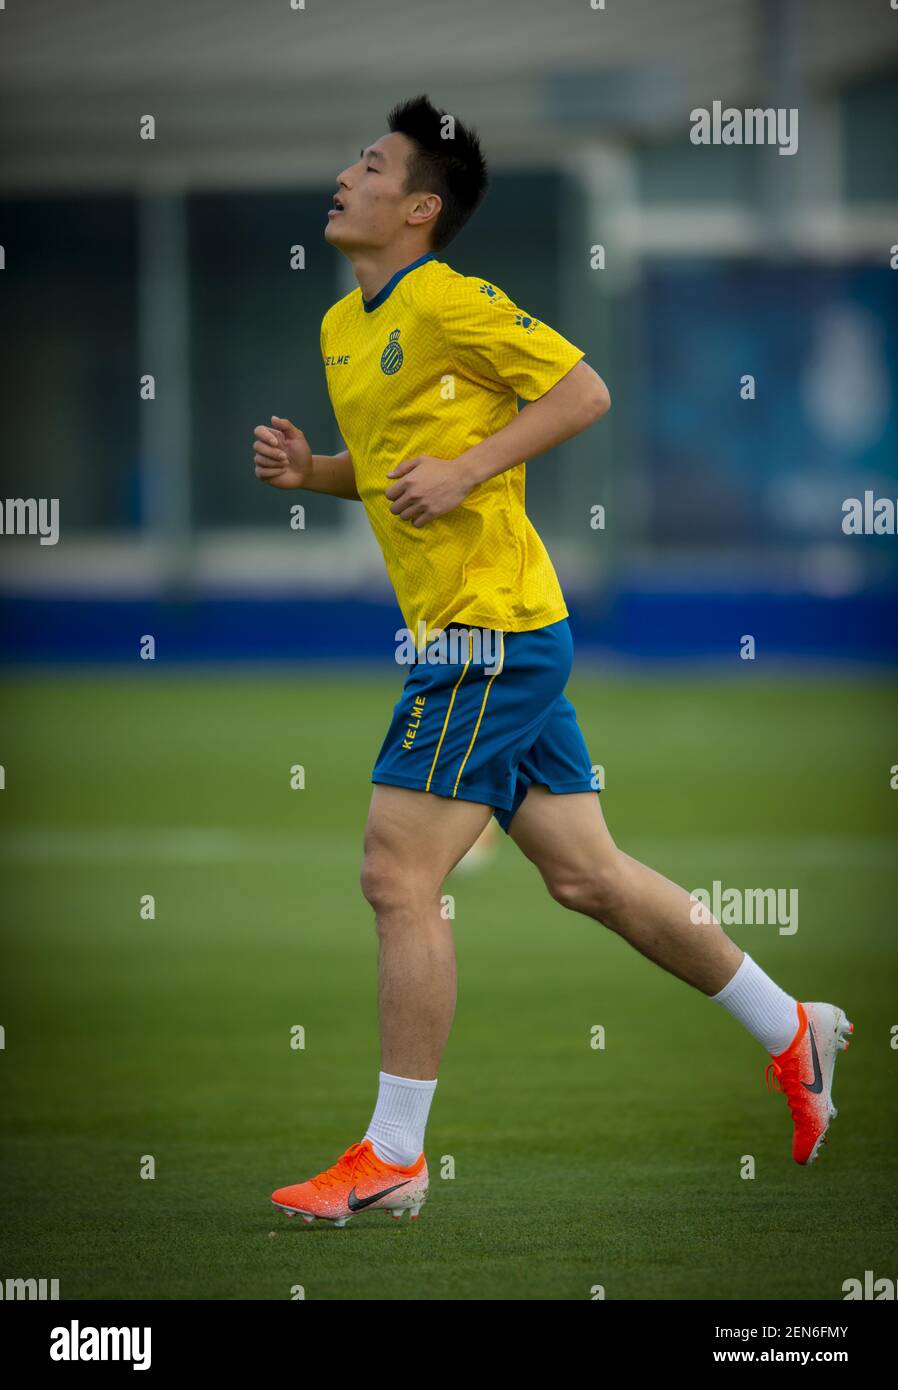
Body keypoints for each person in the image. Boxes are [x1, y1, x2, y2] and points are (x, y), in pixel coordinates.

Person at [254, 95, 852, 1226]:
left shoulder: (455, 303)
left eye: (371, 163)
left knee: (396, 873)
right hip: (472, 632)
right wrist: (316, 473)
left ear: (419, 207)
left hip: (494, 635)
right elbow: (396, 471)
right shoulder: (348, 324)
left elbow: (583, 391)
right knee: (587, 875)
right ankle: (792, 1026)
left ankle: (392, 1153)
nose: (347, 173)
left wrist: (473, 466)